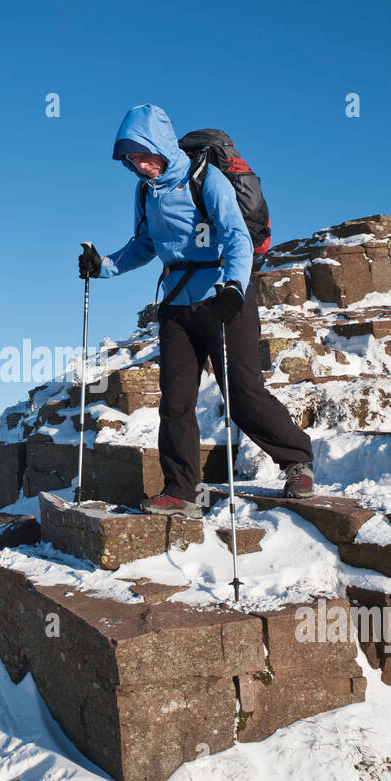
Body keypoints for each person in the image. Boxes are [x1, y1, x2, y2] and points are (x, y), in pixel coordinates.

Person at [78, 103, 315, 516]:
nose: (139, 164)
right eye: (130, 159)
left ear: (162, 145)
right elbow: (145, 244)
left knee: (242, 395)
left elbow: (238, 239)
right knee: (175, 403)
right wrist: (104, 267)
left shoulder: (205, 179)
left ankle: (297, 460)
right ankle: (180, 490)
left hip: (223, 299)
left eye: (142, 154)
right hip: (175, 304)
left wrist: (234, 289)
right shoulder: (145, 192)